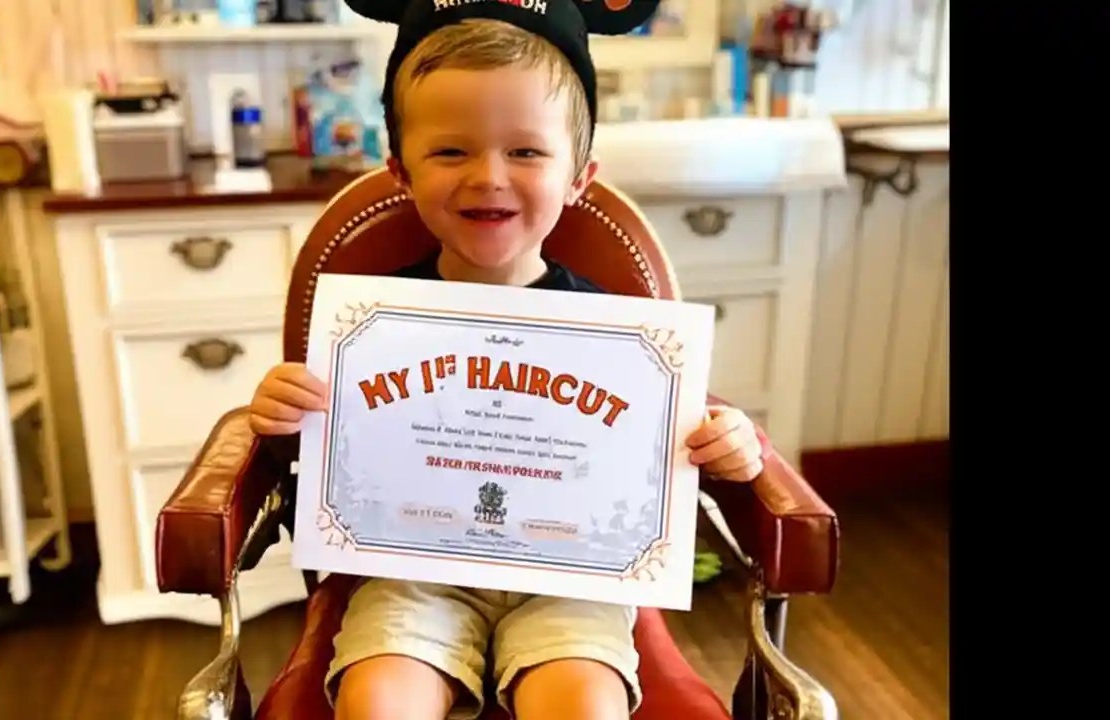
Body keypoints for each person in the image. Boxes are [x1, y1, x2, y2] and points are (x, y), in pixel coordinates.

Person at [249, 2, 767, 718]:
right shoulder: (364, 330)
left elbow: (667, 451)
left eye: (525, 152)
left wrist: (726, 446)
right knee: (378, 701)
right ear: (400, 169)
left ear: (579, 177)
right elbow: (315, 451)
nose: (489, 176)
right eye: (452, 151)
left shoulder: (624, 338)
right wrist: (283, 414)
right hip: (411, 571)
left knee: (584, 703)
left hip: (571, 577)